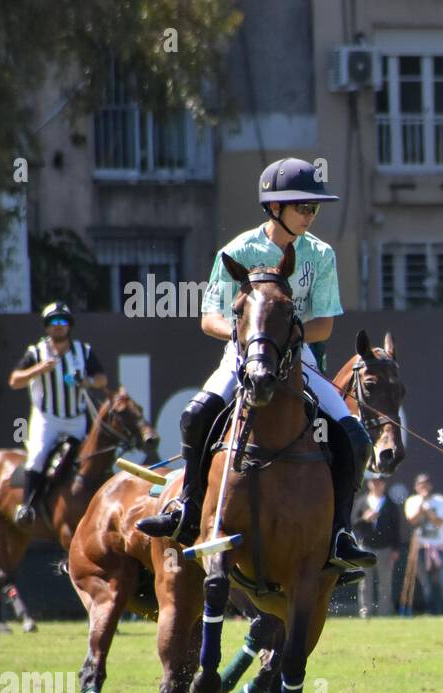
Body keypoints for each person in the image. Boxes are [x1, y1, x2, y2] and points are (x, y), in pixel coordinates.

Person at [136, 158, 375, 571]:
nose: (310, 215)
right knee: (195, 415)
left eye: (314, 208)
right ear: (275, 208)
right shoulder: (239, 251)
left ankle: (339, 533)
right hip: (244, 352)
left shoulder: (321, 254)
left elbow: (325, 326)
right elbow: (209, 316)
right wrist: (250, 336)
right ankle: (187, 509)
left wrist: (287, 335)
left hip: (298, 359)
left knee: (354, 438)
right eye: (303, 207)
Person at [7, 303, 108, 526]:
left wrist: (88, 381)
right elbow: (15, 380)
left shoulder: (83, 351)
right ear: (47, 327)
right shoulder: (36, 352)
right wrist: (39, 369)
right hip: (48, 418)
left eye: (62, 322)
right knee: (38, 456)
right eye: (54, 322)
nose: (59, 327)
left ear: (69, 326)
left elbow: (102, 379)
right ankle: (28, 506)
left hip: (76, 418)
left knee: (91, 458)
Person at [354, 475, 402, 617]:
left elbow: (396, 528)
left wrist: (395, 549)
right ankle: (365, 611)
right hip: (366, 548)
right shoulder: (361, 502)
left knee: (385, 583)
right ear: (369, 484)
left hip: (385, 548)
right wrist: (365, 518)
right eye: (374, 482)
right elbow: (354, 523)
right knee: (365, 582)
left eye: (380, 482)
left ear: (384, 484)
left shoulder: (390, 504)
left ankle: (384, 612)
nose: (377, 485)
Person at [405, 473, 443, 614]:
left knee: (442, 580)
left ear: (430, 485)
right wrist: (421, 507)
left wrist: (428, 511)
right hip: (420, 547)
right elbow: (411, 520)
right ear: (416, 487)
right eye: (420, 484)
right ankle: (431, 609)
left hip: (439, 547)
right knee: (426, 582)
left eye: (426, 483)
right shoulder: (412, 501)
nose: (423, 486)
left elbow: (440, 521)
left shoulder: (440, 500)